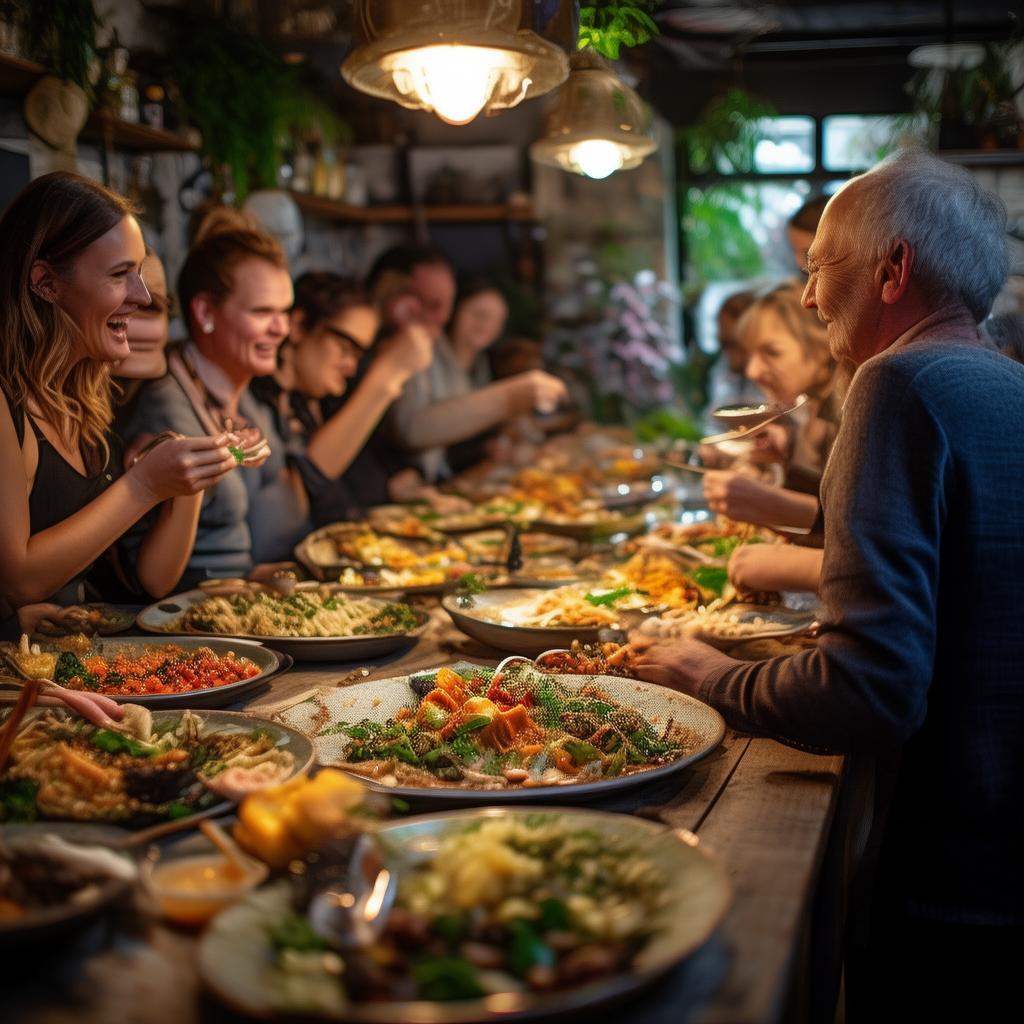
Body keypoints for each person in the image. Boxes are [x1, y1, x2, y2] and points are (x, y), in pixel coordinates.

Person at [632, 149, 1023, 1018]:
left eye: (819, 268)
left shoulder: (896, 384)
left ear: (893, 270)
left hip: (953, 878)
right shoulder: (1004, 382)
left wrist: (709, 676)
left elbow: (868, 691)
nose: (808, 298)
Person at [0, 173, 238, 635]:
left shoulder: (82, 397)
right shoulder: (7, 405)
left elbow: (149, 582)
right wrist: (144, 485)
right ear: (47, 283)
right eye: (119, 275)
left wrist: (186, 479)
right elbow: (21, 580)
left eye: (139, 272)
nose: (142, 296)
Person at [119, 218, 308, 579]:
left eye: (284, 311)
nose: (282, 328)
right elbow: (151, 577)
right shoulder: (166, 407)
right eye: (262, 311)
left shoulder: (240, 389)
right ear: (205, 312)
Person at [370, 244, 567, 481]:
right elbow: (411, 429)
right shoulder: (414, 352)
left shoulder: (479, 365)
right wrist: (510, 398)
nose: (440, 318)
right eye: (479, 315)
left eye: (497, 320)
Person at [250, 271, 433, 525]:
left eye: (359, 355)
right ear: (300, 326)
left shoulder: (315, 402)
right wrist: (387, 375)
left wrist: (398, 481)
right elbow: (307, 479)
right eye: (346, 348)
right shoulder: (254, 404)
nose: (351, 367)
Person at [702, 280, 846, 529]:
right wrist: (782, 459)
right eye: (750, 354)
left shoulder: (852, 412)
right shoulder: (815, 409)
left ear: (823, 345)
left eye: (771, 352)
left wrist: (766, 500)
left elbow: (858, 531)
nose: (752, 371)